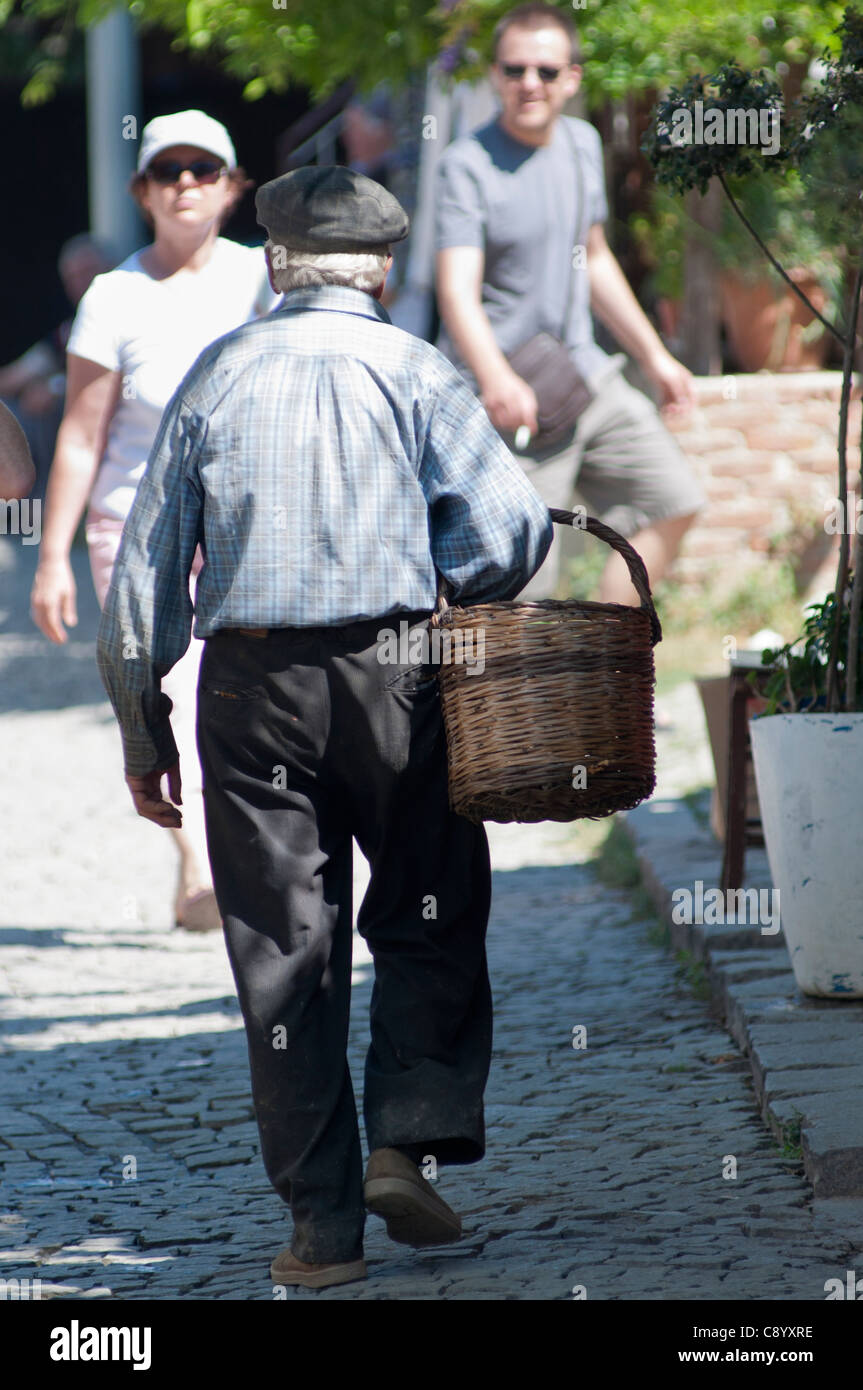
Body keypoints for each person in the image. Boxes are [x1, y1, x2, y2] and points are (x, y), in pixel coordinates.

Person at [95, 165, 553, 1288]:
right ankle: (405, 1132)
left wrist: (144, 732)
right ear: (384, 266)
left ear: (274, 262)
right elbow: (512, 531)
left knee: (283, 959)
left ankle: (321, 1233)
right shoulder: (412, 366)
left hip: (251, 691)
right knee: (427, 906)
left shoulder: (218, 373)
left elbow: (143, 580)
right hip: (399, 674)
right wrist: (448, 570)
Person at [30, 110, 278, 933]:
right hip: (135, 529)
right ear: (142, 191)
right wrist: (52, 558)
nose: (184, 184)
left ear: (233, 187)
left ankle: (245, 851)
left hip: (245, 528)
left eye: (202, 169)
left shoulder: (263, 282)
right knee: (165, 693)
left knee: (241, 694)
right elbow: (79, 434)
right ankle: (200, 864)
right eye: (167, 170)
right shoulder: (114, 294)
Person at [435, 2, 706, 605]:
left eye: (547, 71)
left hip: (587, 379)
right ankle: (519, 699)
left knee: (676, 498)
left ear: (573, 79)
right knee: (527, 583)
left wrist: (656, 358)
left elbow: (596, 258)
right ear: (494, 76)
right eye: (515, 69)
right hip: (510, 405)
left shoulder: (582, 144)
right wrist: (496, 378)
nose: (530, 83)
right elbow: (455, 290)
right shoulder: (466, 166)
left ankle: (604, 657)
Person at [0, 235, 116, 497]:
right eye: (72, 277)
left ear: (111, 269)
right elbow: (19, 373)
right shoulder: (69, 330)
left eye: (87, 271)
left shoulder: (132, 314)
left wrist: (56, 387)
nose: (80, 282)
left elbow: (123, 378)